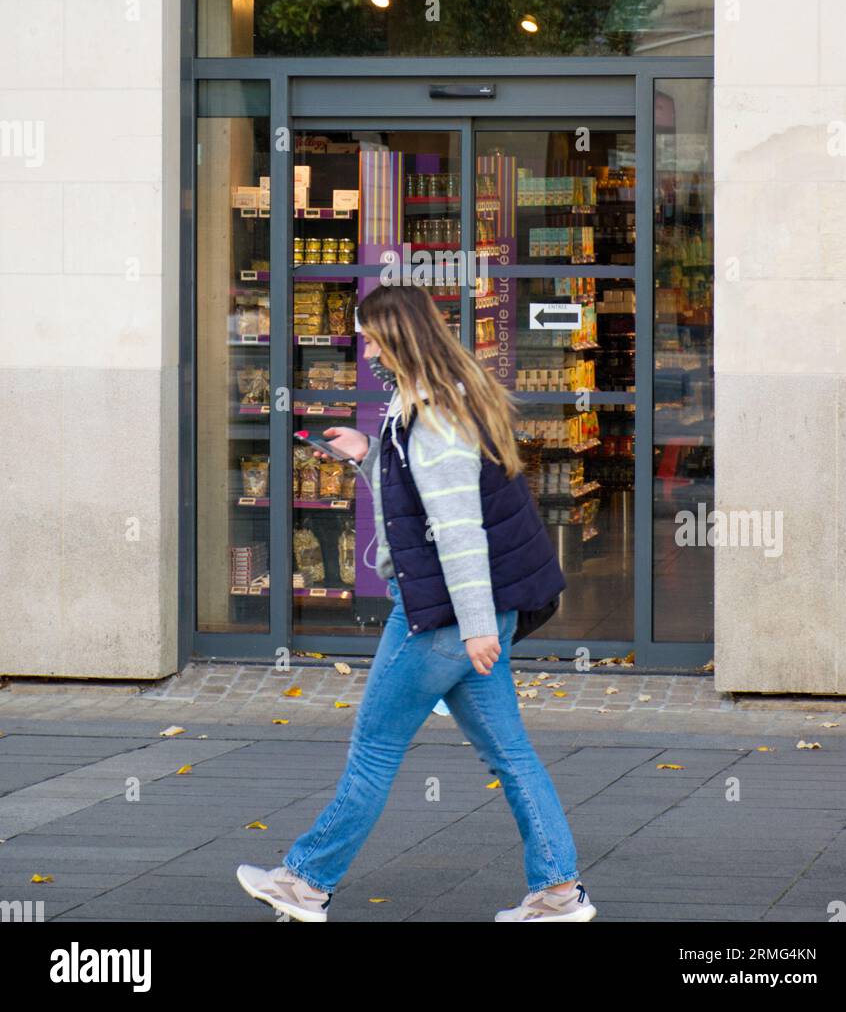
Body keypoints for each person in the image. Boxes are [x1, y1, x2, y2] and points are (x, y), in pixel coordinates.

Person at [236, 283, 596, 924]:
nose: (364, 347)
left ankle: (306, 882)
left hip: (442, 618)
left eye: (371, 336)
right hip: (464, 616)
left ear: (399, 340)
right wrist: (368, 456)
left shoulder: (433, 419)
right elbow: (423, 499)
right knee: (510, 754)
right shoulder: (435, 403)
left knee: (375, 747)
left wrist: (480, 629)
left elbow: (458, 535)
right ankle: (558, 892)